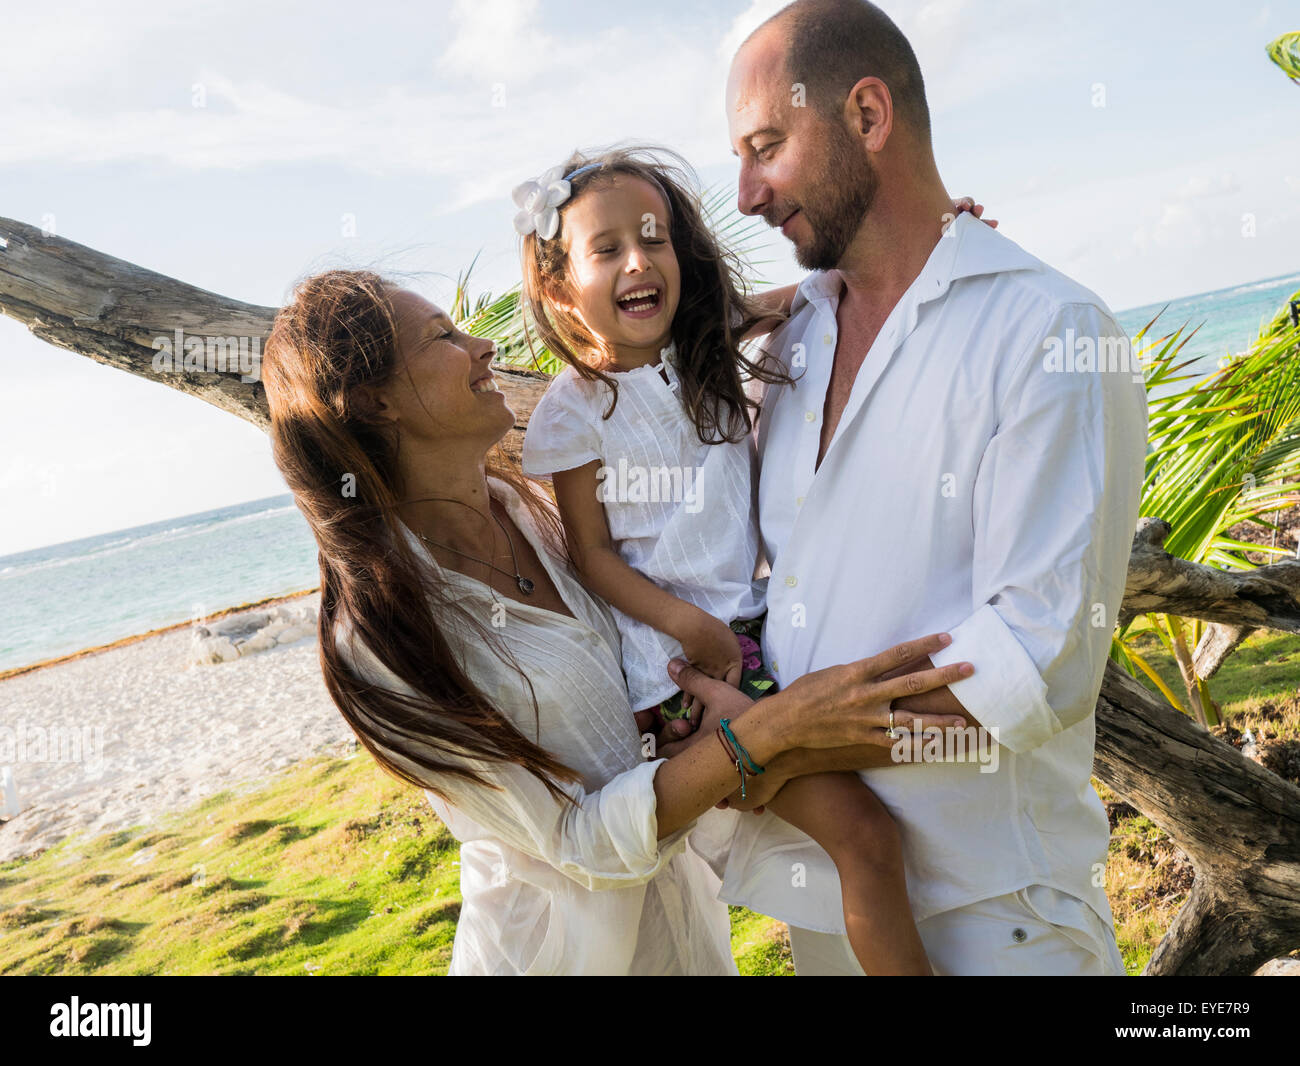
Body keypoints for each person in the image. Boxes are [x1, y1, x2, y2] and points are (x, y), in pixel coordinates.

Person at [260, 267, 974, 975]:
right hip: (560, 957)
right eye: (441, 337)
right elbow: (576, 839)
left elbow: (676, 350)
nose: (482, 344)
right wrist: (765, 733)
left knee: (942, 751)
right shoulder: (381, 636)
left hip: (686, 937)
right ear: (376, 402)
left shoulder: (544, 522)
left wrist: (911, 265)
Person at [667, 0, 1149, 975]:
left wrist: (774, 744)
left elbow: (1029, 674)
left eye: (766, 148)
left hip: (998, 921)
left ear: (868, 115)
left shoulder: (1048, 332)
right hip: (824, 907)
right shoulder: (790, 344)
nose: (746, 194)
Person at [516, 147, 986, 973]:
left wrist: (939, 240)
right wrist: (689, 626)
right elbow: (591, 554)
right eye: (607, 249)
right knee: (868, 832)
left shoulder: (706, 345)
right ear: (560, 290)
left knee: (941, 745)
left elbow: (819, 290)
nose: (638, 261)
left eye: (654, 238)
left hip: (754, 638)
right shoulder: (575, 411)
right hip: (682, 675)